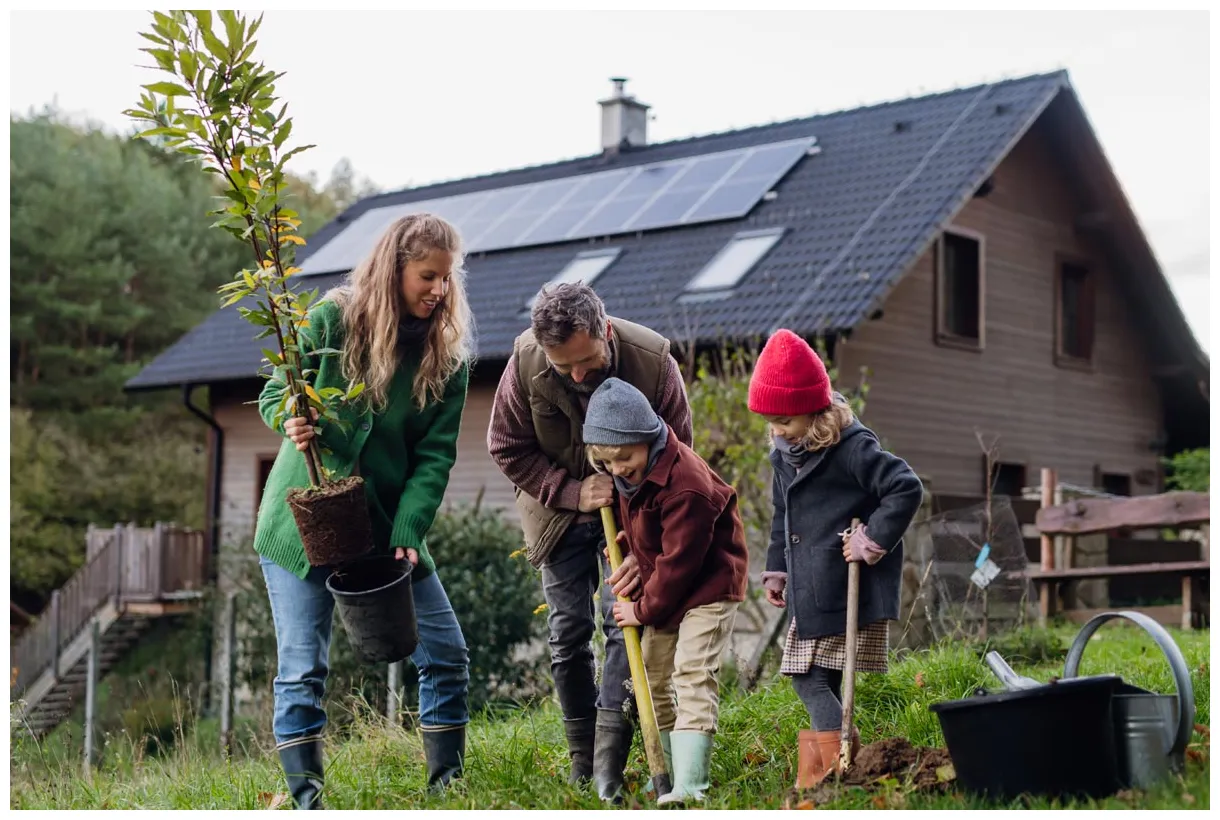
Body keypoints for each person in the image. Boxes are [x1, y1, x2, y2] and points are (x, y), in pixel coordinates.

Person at [255, 214, 475, 809]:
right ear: (394, 269)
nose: (440, 290)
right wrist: (291, 418)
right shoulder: (331, 321)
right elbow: (277, 392)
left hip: (385, 528)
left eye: (447, 278)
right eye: (428, 276)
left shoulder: (446, 359)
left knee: (446, 654)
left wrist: (409, 529)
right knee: (303, 670)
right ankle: (308, 802)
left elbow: (434, 457)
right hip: (303, 524)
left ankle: (447, 793)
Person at [486, 282, 692, 801]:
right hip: (556, 510)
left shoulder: (653, 361)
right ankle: (582, 758)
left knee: (623, 620)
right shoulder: (525, 361)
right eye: (565, 367)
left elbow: (678, 456)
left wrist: (645, 535)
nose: (577, 376)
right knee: (568, 630)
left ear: (606, 331)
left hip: (633, 511)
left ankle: (609, 764)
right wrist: (571, 492)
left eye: (587, 361)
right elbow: (506, 446)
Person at [747, 329, 923, 789]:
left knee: (806, 679)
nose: (777, 430)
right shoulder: (784, 455)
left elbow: (905, 487)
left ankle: (829, 772)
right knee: (816, 677)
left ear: (814, 409)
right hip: (810, 588)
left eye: (784, 420)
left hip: (845, 587)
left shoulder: (852, 448)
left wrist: (873, 539)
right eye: (770, 421)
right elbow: (782, 514)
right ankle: (839, 768)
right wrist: (777, 569)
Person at [583, 378, 748, 806]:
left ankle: (692, 785)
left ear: (648, 438)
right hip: (669, 588)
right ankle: (670, 776)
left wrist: (642, 610)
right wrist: (633, 548)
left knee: (691, 672)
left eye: (624, 457)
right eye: (606, 462)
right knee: (652, 679)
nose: (617, 469)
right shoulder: (630, 475)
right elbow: (655, 534)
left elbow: (679, 564)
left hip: (708, 588)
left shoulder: (686, 483)